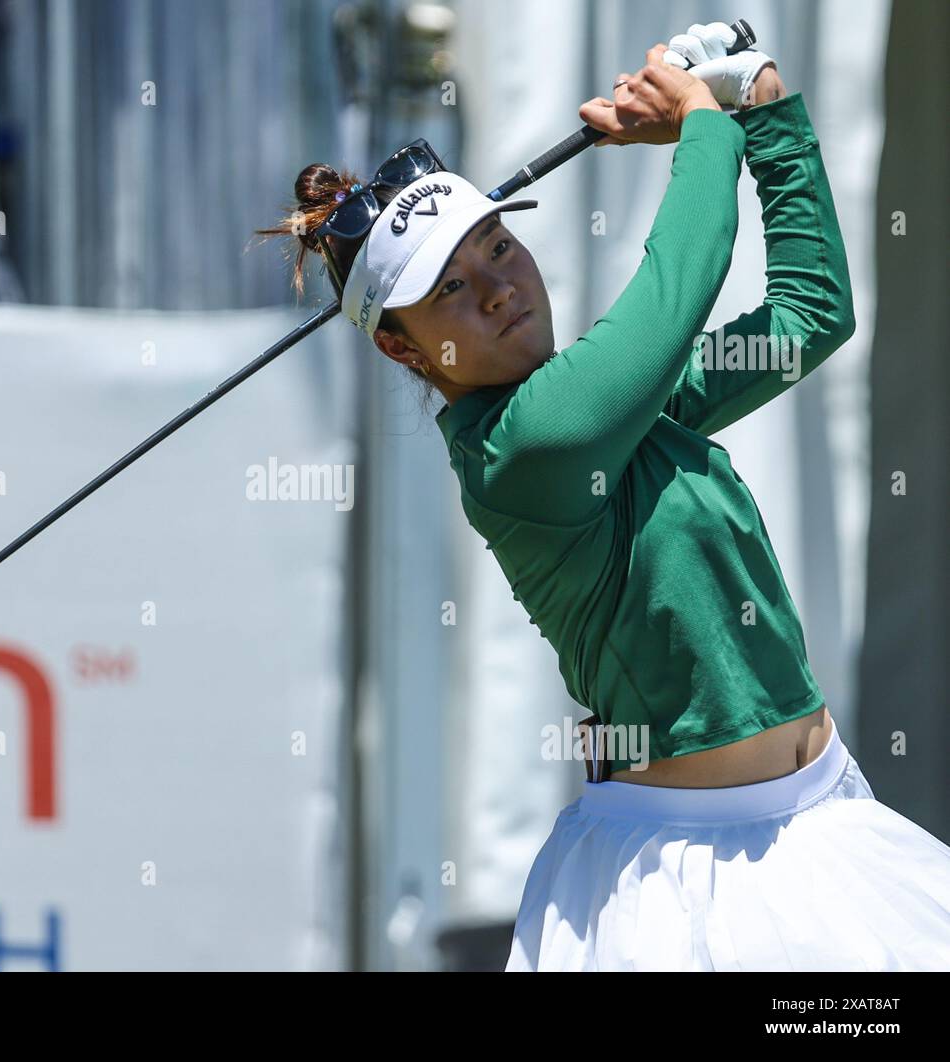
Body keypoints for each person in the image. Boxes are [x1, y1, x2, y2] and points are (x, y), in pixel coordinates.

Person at [256, 24, 950, 970]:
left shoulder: (609, 410)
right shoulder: (527, 446)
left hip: (831, 820)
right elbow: (677, 292)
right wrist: (702, 122)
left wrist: (765, 103)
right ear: (402, 347)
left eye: (498, 245)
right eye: (452, 288)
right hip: (689, 880)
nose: (499, 288)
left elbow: (810, 313)